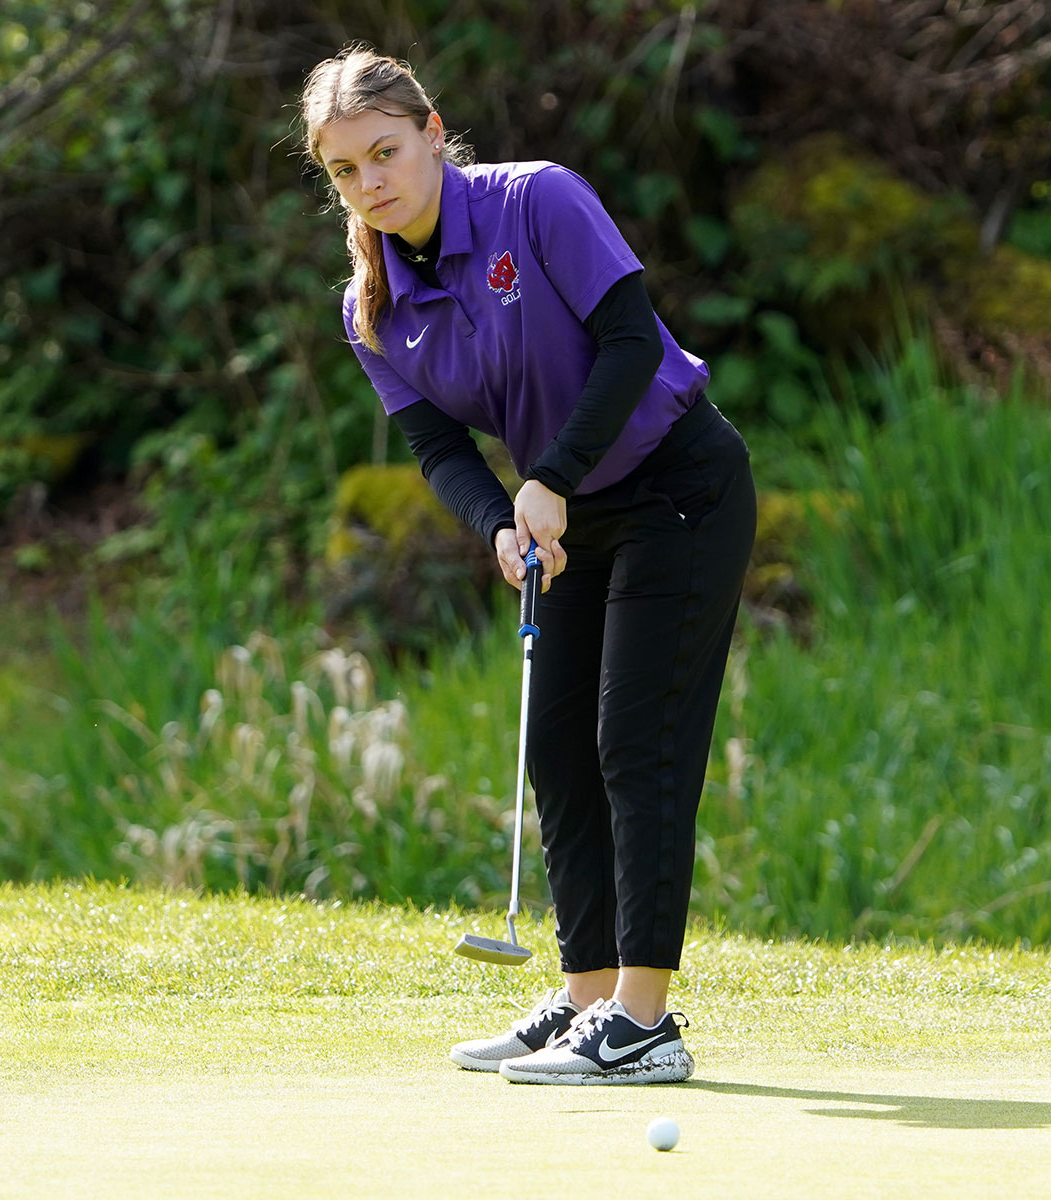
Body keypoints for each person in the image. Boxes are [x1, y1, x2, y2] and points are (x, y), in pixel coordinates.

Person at [301, 46, 756, 1085]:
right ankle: (588, 998)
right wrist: (500, 525)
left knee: (634, 745)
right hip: (566, 519)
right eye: (345, 169)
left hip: (678, 486)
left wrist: (547, 475)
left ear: (430, 133)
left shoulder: (535, 202)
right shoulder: (370, 306)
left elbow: (632, 342)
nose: (372, 181)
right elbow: (438, 449)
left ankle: (645, 1022)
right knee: (557, 747)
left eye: (385, 151)